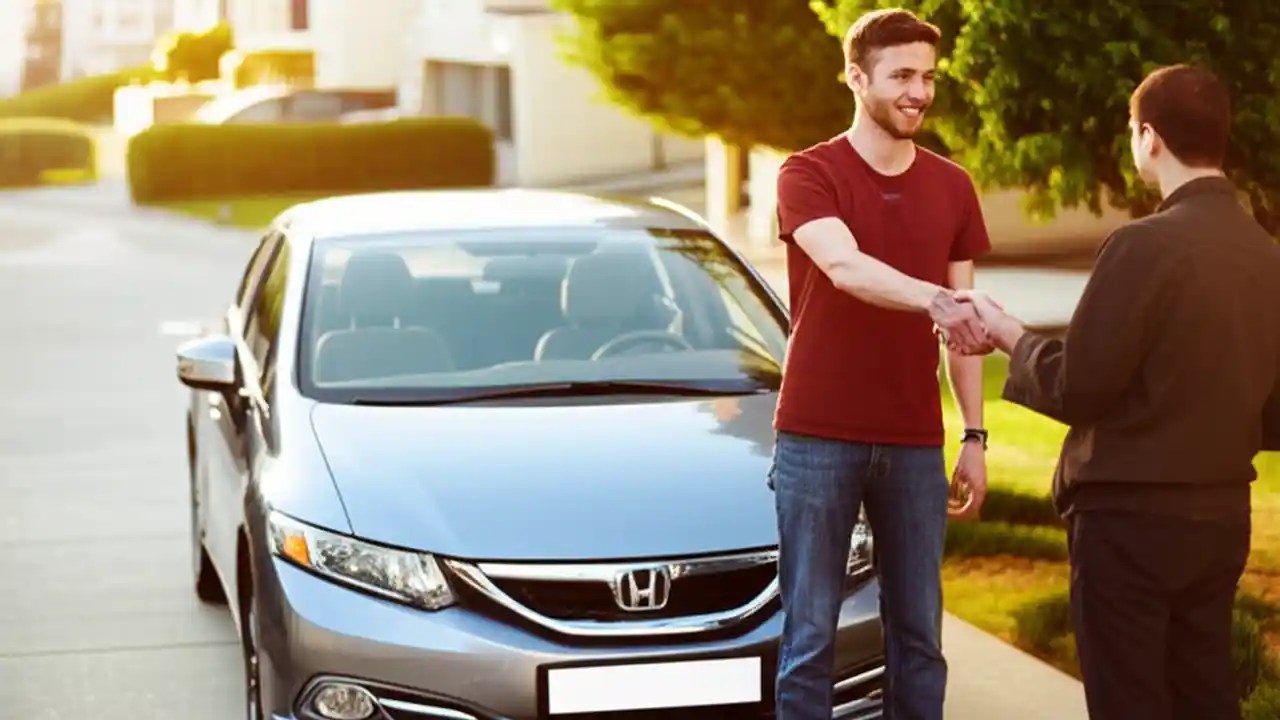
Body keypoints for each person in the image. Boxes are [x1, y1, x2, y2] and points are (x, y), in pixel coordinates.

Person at [961, 64, 1280, 720]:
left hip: (1129, 525)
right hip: (1222, 517)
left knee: (1128, 701)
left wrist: (1008, 335)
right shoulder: (1266, 253)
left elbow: (1078, 385)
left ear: (1149, 137)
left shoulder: (1141, 245)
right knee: (1206, 696)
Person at [768, 8, 995, 720]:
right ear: (856, 76)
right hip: (816, 436)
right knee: (809, 638)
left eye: (927, 77)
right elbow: (843, 266)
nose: (919, 93)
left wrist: (975, 436)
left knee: (920, 637)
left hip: (913, 441)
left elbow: (964, 325)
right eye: (902, 76)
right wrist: (938, 299)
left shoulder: (953, 186)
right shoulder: (808, 173)